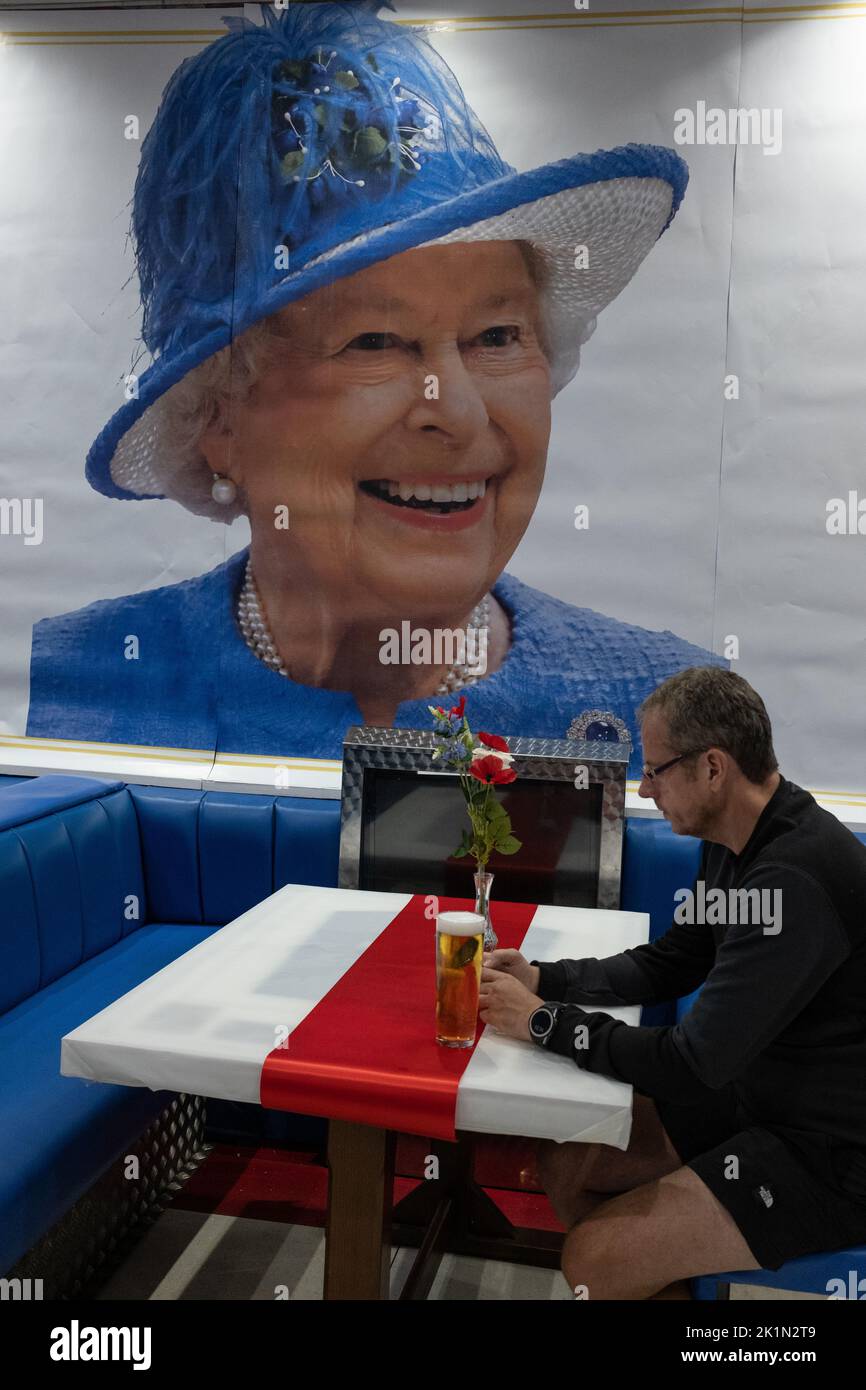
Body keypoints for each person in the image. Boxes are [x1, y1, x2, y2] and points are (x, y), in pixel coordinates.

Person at [25, 1, 723, 772]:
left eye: (496, 337)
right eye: (378, 343)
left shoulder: (663, 714)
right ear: (217, 416)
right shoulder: (89, 687)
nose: (456, 413)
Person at [479, 666, 866, 1299]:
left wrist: (541, 1022)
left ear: (713, 767)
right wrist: (545, 978)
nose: (644, 786)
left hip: (831, 1154)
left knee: (594, 1260)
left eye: (656, 768)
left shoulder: (794, 880)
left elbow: (691, 1064)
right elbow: (671, 961)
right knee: (567, 1159)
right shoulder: (734, 840)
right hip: (758, 1099)